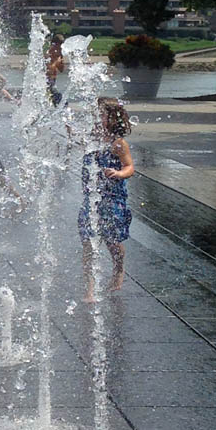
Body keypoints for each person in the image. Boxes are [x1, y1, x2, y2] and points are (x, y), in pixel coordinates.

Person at [79, 98, 134, 302]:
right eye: (94, 115)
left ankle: (119, 268)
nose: (96, 119)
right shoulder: (91, 139)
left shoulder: (118, 144)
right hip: (91, 199)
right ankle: (89, 290)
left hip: (113, 199)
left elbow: (129, 167)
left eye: (101, 115)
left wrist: (119, 174)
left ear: (113, 119)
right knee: (88, 242)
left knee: (113, 241)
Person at [46, 33, 65, 106]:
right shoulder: (50, 51)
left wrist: (61, 62)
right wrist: (56, 62)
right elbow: (48, 68)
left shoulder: (60, 53)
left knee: (55, 100)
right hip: (47, 79)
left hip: (53, 79)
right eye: (60, 44)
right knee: (59, 100)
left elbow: (61, 69)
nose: (61, 46)